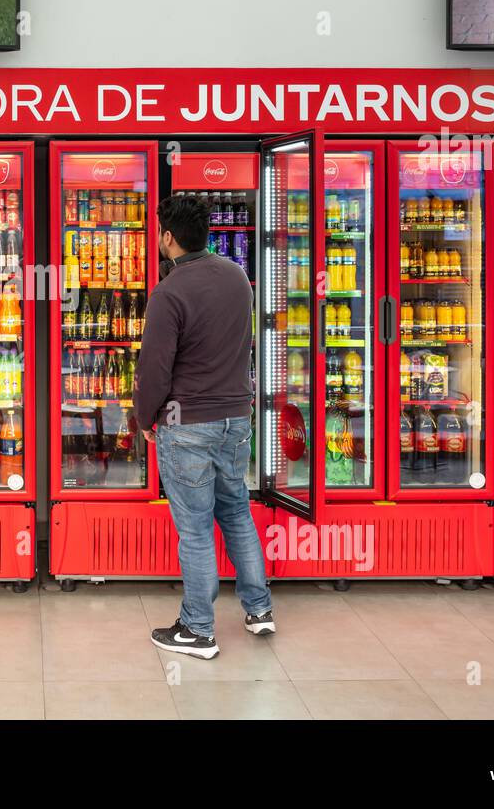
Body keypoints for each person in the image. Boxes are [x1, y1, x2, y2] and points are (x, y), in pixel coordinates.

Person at [134, 193, 274, 660]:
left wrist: (146, 417)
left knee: (194, 528)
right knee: (235, 509)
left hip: (187, 420)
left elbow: (155, 367)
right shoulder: (238, 277)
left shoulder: (169, 291)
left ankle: (197, 630)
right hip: (237, 416)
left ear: (168, 237)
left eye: (159, 232)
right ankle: (258, 610)